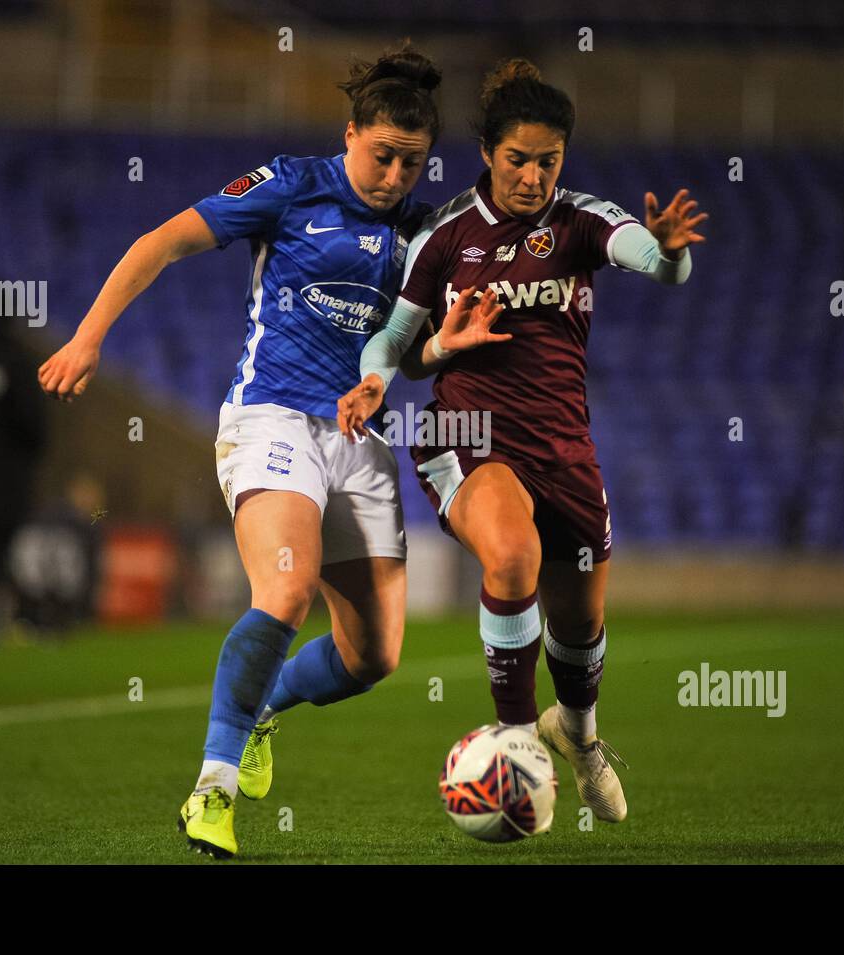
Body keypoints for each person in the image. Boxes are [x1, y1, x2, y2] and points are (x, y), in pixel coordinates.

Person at [39, 45, 487, 858]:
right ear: (349, 133)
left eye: (412, 163)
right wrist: (88, 336)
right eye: (381, 154)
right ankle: (211, 790)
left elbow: (405, 354)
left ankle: (261, 710)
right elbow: (163, 240)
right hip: (273, 419)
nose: (394, 176)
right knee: (284, 592)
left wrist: (442, 346)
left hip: (359, 437)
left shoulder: (424, 231)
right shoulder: (288, 184)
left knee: (374, 655)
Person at [337, 58, 705, 823]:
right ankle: (512, 743)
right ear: (487, 154)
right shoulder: (444, 236)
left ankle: (578, 734)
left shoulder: (581, 221)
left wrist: (668, 249)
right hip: (466, 432)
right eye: (518, 160)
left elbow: (659, 262)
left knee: (579, 629)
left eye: (548, 161)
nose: (533, 177)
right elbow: (394, 344)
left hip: (563, 446)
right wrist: (376, 379)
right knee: (511, 555)